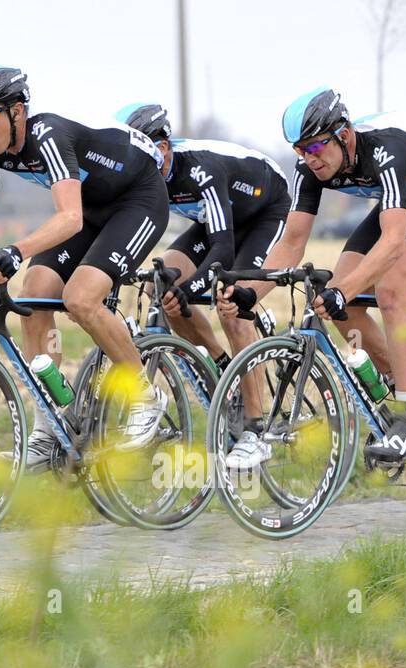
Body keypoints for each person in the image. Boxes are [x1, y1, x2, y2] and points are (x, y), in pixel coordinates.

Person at [0, 65, 171, 469]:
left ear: (17, 111)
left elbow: (69, 218)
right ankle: (50, 426)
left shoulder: (48, 136)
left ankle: (146, 397)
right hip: (92, 207)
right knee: (34, 293)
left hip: (139, 199)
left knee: (80, 298)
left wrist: (17, 250)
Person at [218, 87, 406, 463]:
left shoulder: (386, 150)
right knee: (340, 300)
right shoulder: (311, 167)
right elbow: (292, 241)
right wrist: (250, 293)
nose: (307, 158)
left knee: (391, 288)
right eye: (298, 150)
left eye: (313, 147)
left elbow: (392, 243)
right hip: (402, 202)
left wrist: (343, 290)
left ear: (343, 135)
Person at [115, 102, 292, 467]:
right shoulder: (144, 178)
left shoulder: (199, 168)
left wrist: (192, 289)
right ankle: (221, 363)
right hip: (220, 219)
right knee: (160, 283)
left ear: (163, 148)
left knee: (233, 308)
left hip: (263, 210)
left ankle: (256, 432)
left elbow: (222, 248)